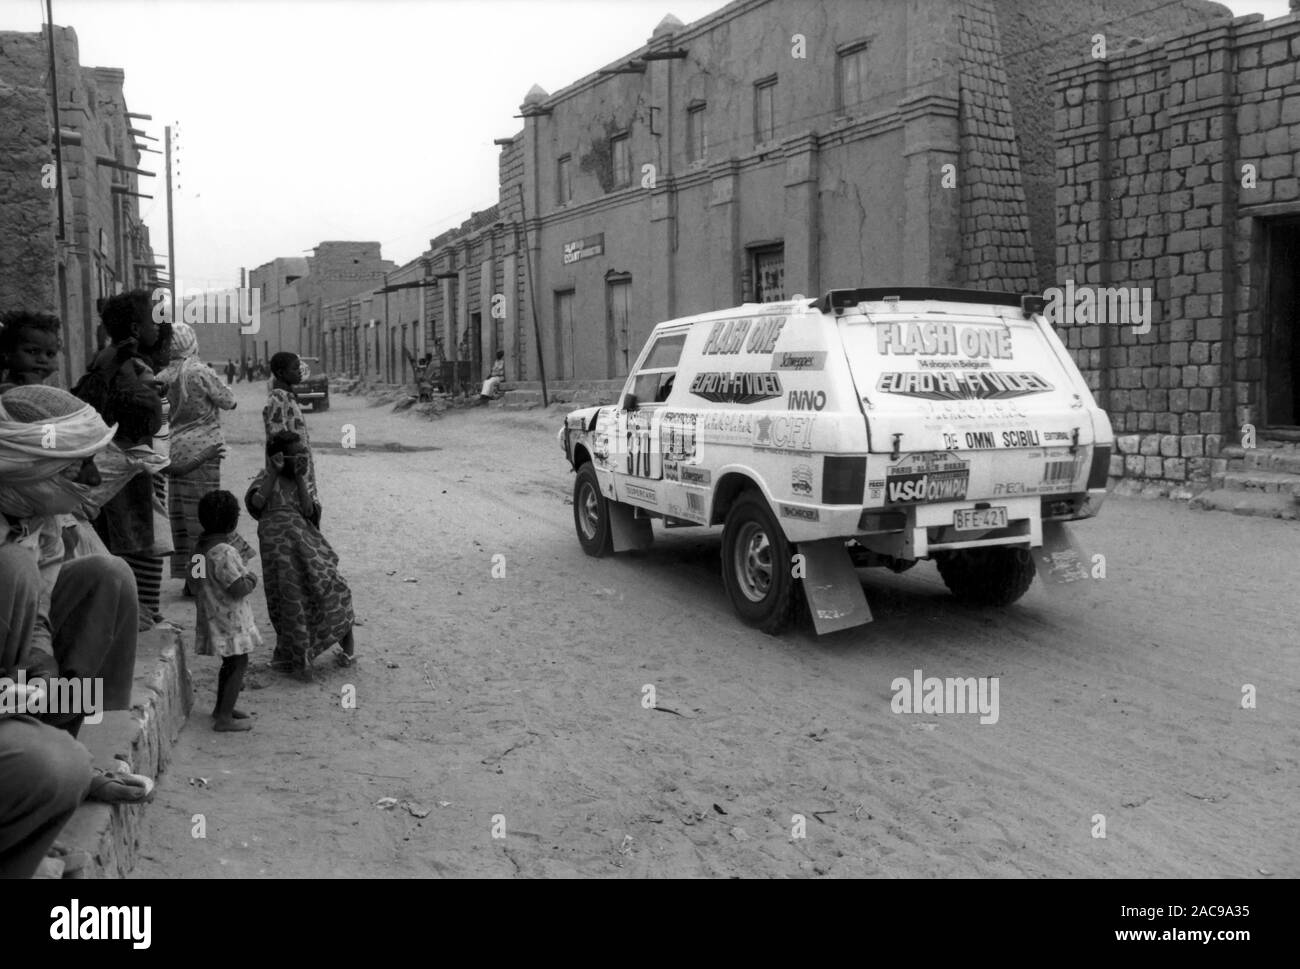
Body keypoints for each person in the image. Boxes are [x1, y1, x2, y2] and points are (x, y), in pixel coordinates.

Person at [0, 385, 155, 877]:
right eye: (75, 466)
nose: (91, 477)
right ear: (24, 466)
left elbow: (40, 611)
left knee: (107, 577)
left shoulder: (36, 515)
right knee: (12, 572)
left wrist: (40, 675)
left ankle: (56, 746)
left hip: (8, 690)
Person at [80, 293, 169, 628]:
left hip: (129, 466)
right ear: (135, 327)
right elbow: (146, 412)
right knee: (132, 542)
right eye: (154, 319)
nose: (159, 326)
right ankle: (135, 612)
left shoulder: (114, 361)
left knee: (141, 539)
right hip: (121, 468)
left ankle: (143, 610)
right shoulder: (123, 365)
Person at [245, 431, 354, 681]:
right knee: (288, 603)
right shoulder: (264, 480)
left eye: (304, 453)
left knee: (332, 589)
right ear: (278, 456)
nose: (303, 457)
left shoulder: (301, 482)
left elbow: (309, 512)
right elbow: (257, 506)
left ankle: (347, 650)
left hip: (305, 552)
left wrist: (300, 480)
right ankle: (296, 659)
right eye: (298, 454)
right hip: (278, 558)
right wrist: (273, 472)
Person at [158, 323, 237, 595]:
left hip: (175, 452)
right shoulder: (200, 371)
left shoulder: (162, 376)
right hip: (205, 454)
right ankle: (201, 581)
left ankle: (192, 579)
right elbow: (229, 401)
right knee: (205, 521)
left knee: (184, 520)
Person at [192, 490, 261, 731]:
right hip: (229, 618)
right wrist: (251, 579)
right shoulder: (225, 551)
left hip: (212, 615)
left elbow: (193, 582)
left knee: (229, 664)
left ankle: (223, 708)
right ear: (232, 521)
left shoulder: (200, 548)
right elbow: (238, 588)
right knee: (239, 663)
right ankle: (223, 717)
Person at [263, 352, 318, 513]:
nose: (300, 371)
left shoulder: (288, 397)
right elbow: (280, 443)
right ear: (281, 373)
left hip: (299, 473)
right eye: (295, 368)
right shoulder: (277, 399)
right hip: (291, 478)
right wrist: (299, 479)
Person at [0, 311, 61, 388]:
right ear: (7, 354)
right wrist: (35, 388)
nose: (43, 359)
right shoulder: (5, 392)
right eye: (33, 351)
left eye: (50, 354)